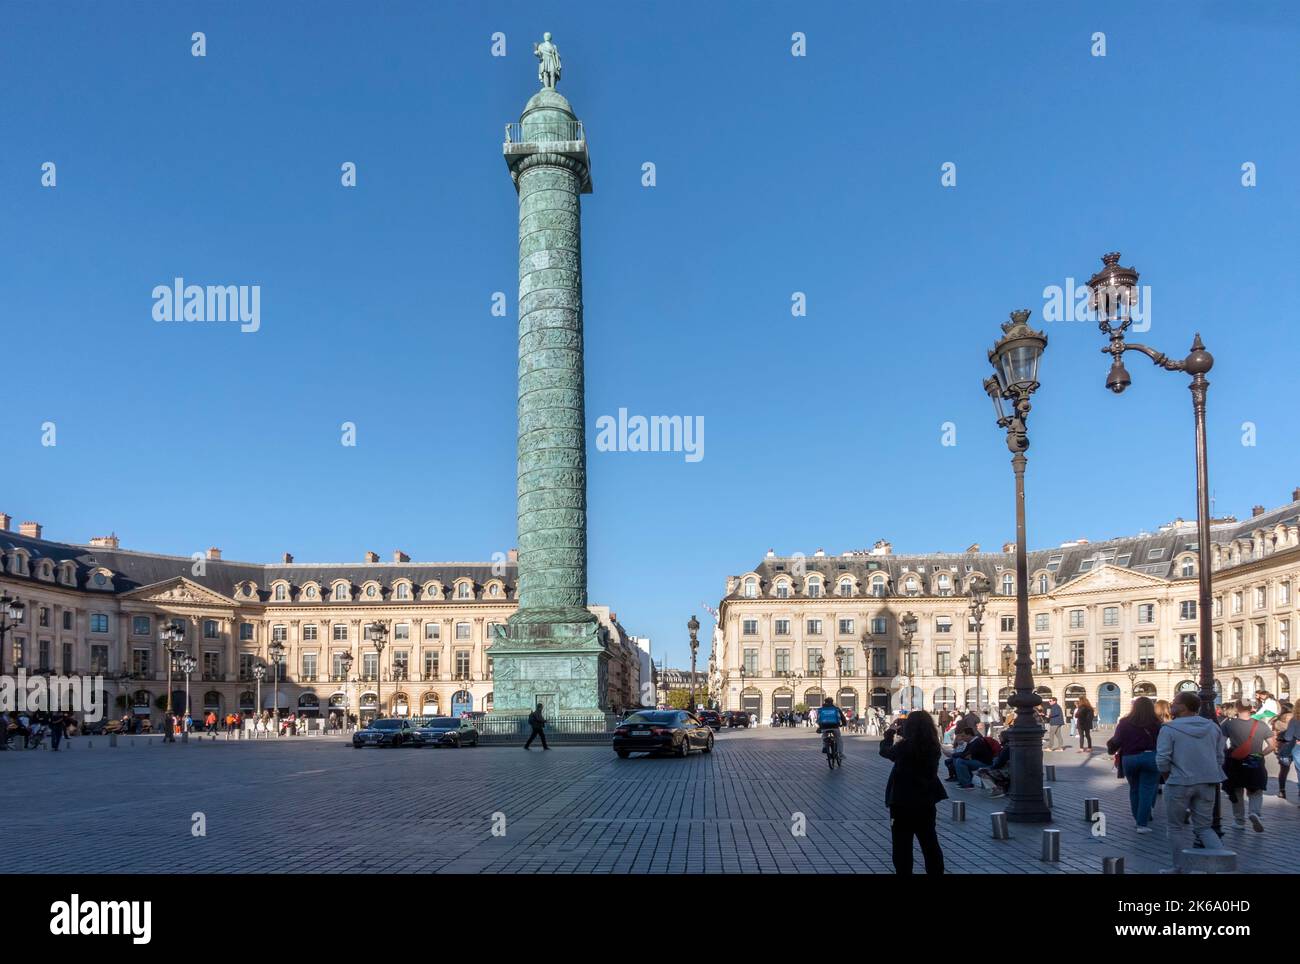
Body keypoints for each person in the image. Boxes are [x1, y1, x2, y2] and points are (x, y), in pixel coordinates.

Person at [1156, 692, 1227, 870]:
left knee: (1175, 827)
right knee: (1204, 828)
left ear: (1184, 707)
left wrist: (1167, 777)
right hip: (1207, 781)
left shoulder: (1169, 729)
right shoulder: (1212, 727)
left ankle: (1180, 868)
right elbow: (1220, 756)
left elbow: (1162, 759)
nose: (1172, 705)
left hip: (1178, 782)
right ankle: (1223, 864)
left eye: (1175, 702)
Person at [879, 710, 946, 875]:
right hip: (926, 800)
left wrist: (890, 733)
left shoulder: (905, 746)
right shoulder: (933, 746)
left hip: (902, 801)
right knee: (930, 842)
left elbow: (885, 751)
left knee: (902, 844)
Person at [1106, 696, 1162, 832]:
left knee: (1134, 789)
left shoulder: (1124, 722)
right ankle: (1142, 823)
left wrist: (1111, 748)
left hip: (1130, 758)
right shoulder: (1156, 723)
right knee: (1147, 790)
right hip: (1151, 757)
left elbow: (1117, 740)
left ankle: (1138, 819)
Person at [1222, 699, 1272, 832]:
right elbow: (1272, 745)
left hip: (1236, 760)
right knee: (1256, 789)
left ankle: (1239, 821)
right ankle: (1254, 812)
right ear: (1251, 709)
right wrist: (1260, 754)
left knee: (1236, 790)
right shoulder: (1261, 725)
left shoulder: (1229, 725)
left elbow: (1221, 743)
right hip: (1254, 759)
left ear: (1236, 709)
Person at [816, 697, 847, 761]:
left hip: (824, 726)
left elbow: (818, 719)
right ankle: (840, 753)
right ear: (832, 702)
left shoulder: (821, 709)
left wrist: (820, 726)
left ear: (825, 702)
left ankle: (825, 746)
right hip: (835, 726)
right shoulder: (836, 709)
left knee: (824, 736)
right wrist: (844, 723)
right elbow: (842, 717)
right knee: (838, 739)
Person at [1275, 704, 1296, 799]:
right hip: (1294, 746)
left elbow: (1275, 735)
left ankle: (1282, 790)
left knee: (1284, 770)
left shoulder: (1277, 721)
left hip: (1283, 748)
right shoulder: (1295, 720)